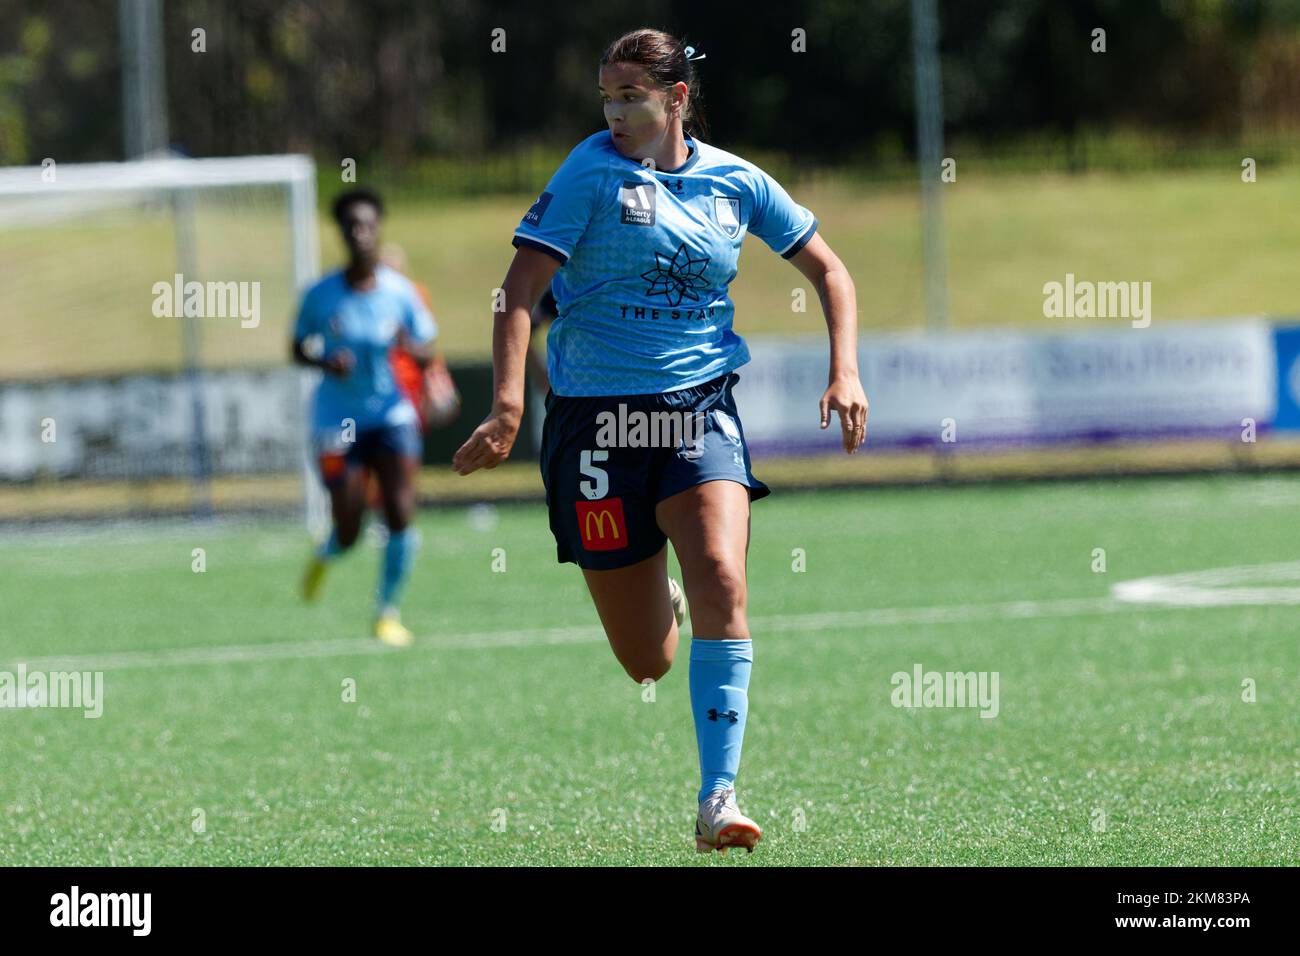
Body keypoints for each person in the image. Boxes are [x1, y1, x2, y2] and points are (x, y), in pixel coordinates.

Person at [452, 29, 868, 853]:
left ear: (677, 99)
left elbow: (831, 270)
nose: (614, 112)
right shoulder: (588, 172)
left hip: (695, 411)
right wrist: (506, 408)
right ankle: (659, 601)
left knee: (721, 573)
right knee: (647, 662)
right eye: (606, 97)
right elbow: (519, 292)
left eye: (631, 97)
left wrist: (845, 371)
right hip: (595, 429)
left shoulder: (736, 182)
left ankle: (719, 792)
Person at [293, 188, 439, 648]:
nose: (361, 233)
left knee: (399, 510)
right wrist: (324, 363)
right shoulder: (321, 295)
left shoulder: (400, 292)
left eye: (368, 225)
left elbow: (426, 348)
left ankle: (386, 614)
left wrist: (409, 347)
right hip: (337, 422)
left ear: (379, 229)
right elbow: (297, 347)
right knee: (351, 525)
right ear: (341, 233)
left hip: (391, 415)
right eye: (352, 226)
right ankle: (327, 552)